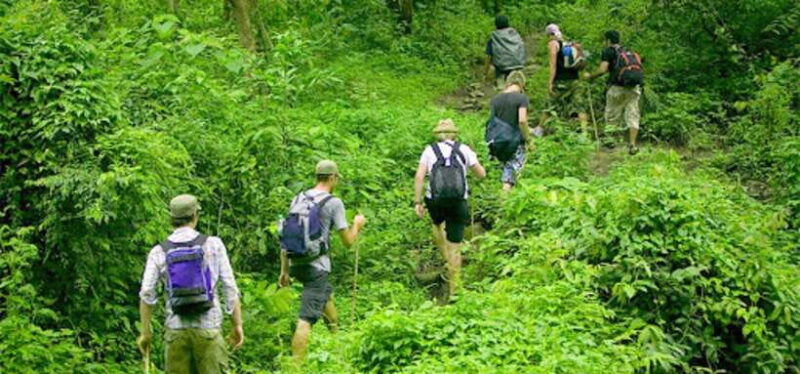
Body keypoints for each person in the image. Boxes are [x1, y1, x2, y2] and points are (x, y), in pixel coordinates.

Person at [138, 194, 244, 374]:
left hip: (176, 332)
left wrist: (145, 333)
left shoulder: (159, 251)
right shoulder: (213, 244)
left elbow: (147, 293)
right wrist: (237, 325)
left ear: (171, 219)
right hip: (208, 330)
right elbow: (229, 288)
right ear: (195, 215)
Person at [278, 160, 366, 362]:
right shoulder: (333, 203)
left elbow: (286, 235)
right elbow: (348, 241)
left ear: (316, 176)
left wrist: (284, 271)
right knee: (306, 319)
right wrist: (358, 225)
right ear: (333, 177)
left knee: (327, 300)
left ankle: (339, 347)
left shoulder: (298, 198)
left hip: (295, 262)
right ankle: (296, 367)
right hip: (316, 265)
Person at [413, 119, 487, 302]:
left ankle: (446, 259)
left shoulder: (430, 150)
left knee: (437, 224)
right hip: (458, 201)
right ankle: (455, 290)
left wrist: (417, 201)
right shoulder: (464, 149)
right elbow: (481, 174)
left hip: (434, 200)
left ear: (437, 135)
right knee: (456, 246)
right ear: (455, 134)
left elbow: (419, 176)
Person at [584, 30, 643, 155]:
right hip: (633, 87)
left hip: (616, 87)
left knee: (612, 114)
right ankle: (632, 145)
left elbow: (602, 69)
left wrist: (590, 76)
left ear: (608, 40)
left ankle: (611, 142)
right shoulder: (627, 51)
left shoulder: (608, 51)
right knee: (633, 114)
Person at [542, 23, 588, 132]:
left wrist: (550, 83)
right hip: (575, 80)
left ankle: (540, 130)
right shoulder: (569, 44)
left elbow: (553, 65)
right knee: (580, 106)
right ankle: (585, 133)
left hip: (561, 81)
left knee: (550, 105)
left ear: (549, 34)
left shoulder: (553, 44)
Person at [489, 70, 530, 191]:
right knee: (509, 175)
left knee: (503, 169)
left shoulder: (495, 99)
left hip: (497, 140)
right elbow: (522, 120)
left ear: (508, 83)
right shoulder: (521, 98)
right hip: (514, 141)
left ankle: (500, 199)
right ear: (522, 84)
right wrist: (528, 139)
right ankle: (505, 203)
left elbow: (492, 121)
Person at [485, 15, 526, 90]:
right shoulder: (515, 34)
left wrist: (485, 73)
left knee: (501, 80)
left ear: (496, 24)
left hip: (502, 67)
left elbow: (489, 56)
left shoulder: (494, 37)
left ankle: (500, 85)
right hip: (517, 64)